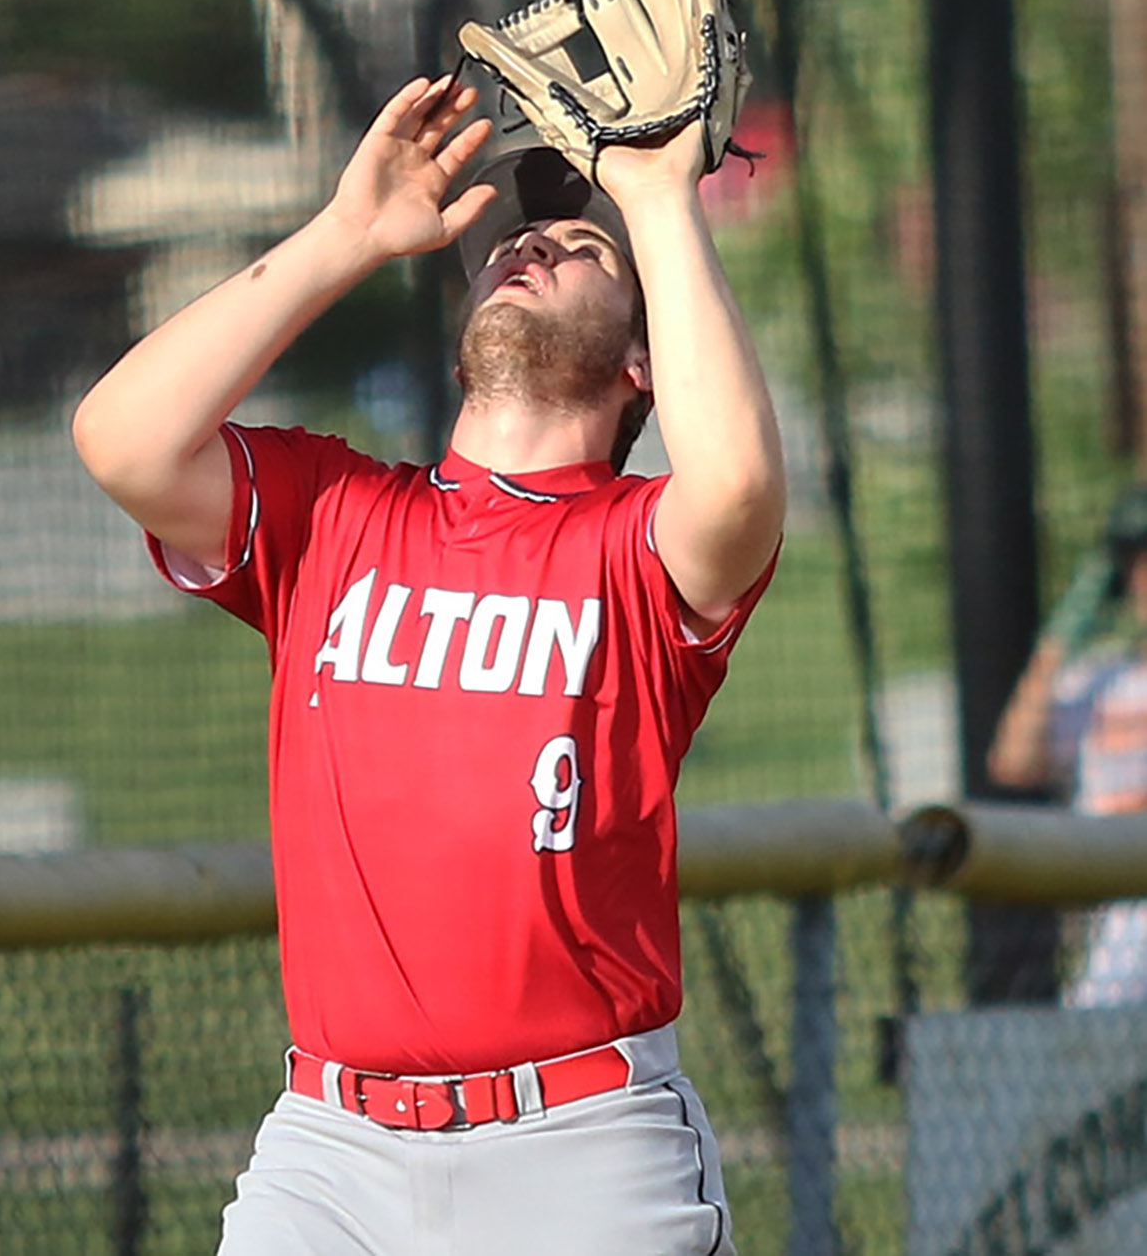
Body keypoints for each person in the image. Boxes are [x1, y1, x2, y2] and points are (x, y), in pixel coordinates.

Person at [72, 73, 785, 1254]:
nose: (532, 244)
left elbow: (740, 485)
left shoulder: (635, 548)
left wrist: (657, 196)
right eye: (515, 240)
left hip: (580, 1147)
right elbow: (122, 439)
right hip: (329, 1150)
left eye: (583, 248)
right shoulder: (335, 511)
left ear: (642, 364)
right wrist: (344, 235)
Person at [990, 485, 1147, 1008]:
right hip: (1113, 927)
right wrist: (1058, 642)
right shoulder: (1099, 680)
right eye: (1137, 564)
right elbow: (1013, 762)